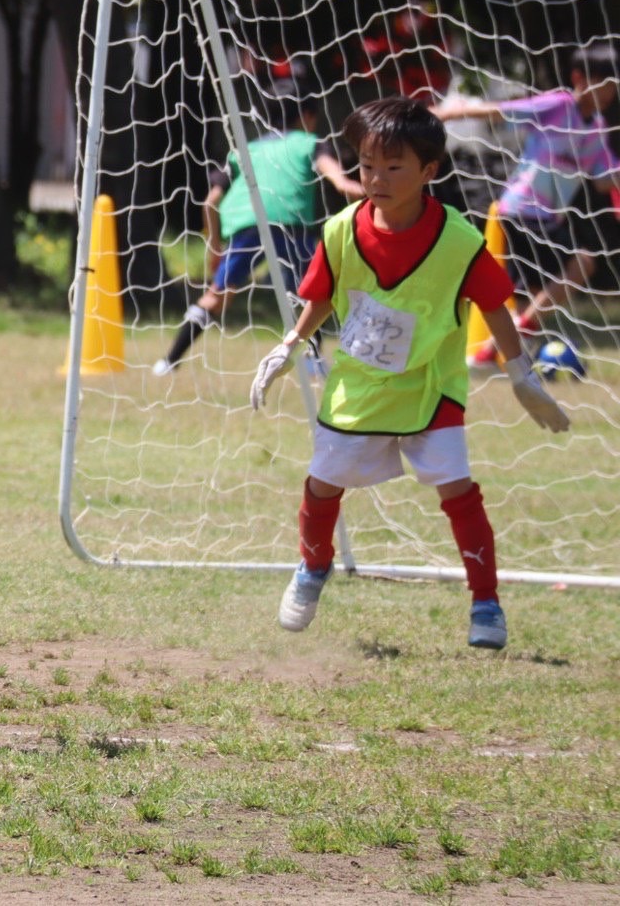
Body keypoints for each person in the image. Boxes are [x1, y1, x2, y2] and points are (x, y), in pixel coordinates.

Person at [249, 97, 570, 650]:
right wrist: (289, 345)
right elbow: (321, 296)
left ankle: (486, 604)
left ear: (428, 171)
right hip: (360, 382)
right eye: (367, 164)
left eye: (393, 167)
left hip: (431, 381)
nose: (376, 177)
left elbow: (494, 305)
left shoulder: (460, 242)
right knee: (324, 484)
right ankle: (312, 568)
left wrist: (521, 374)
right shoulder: (340, 231)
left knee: (457, 487)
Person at [433, 44, 620, 368]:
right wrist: (447, 112)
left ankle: (489, 355)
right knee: (583, 264)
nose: (610, 91)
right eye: (605, 82)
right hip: (522, 209)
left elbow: (604, 179)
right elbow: (503, 110)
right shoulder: (558, 106)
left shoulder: (597, 127)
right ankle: (506, 343)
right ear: (579, 77)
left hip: (547, 218)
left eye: (614, 85)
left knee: (532, 294)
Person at [154, 91, 365, 376]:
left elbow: (210, 201)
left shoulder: (244, 149)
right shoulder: (311, 143)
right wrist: (357, 191)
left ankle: (168, 362)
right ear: (308, 117)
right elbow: (339, 180)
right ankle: (314, 362)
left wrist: (215, 247)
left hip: (246, 223)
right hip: (291, 223)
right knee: (309, 296)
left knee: (216, 296)